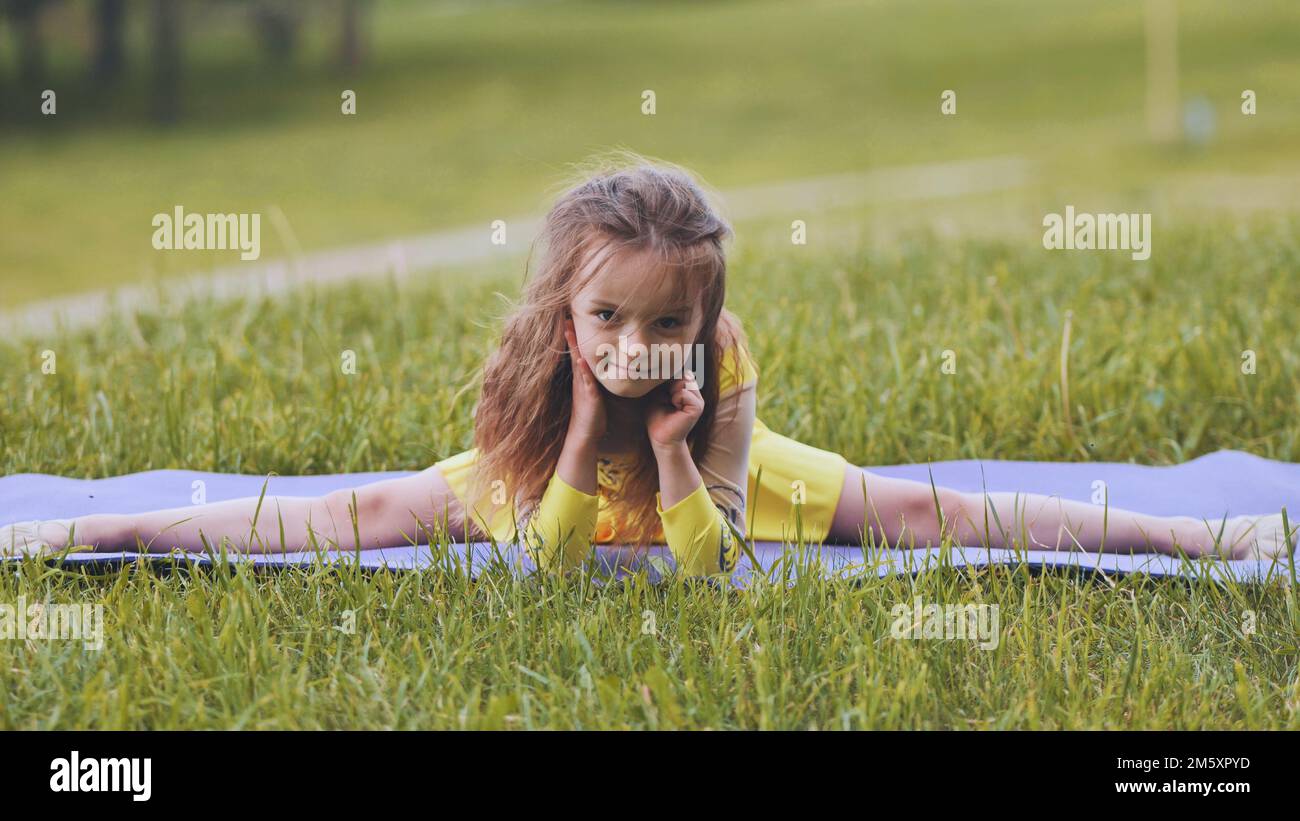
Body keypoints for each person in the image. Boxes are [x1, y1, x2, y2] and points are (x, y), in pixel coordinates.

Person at [4, 157, 1295, 570]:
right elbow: (550, 565)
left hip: (706, 480)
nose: (629, 346)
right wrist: (576, 435)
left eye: (657, 320)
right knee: (360, 509)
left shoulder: (715, 354)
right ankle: (98, 527)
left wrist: (680, 444)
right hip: (547, 477)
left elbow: (711, 562)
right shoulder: (539, 362)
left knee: (922, 505)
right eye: (605, 318)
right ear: (569, 304)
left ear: (702, 309)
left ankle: (1205, 537)